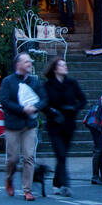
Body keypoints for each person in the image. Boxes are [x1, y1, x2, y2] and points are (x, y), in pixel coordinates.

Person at [0, 52, 46, 200]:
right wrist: (22, 109)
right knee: (13, 159)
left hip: (29, 125)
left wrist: (36, 107)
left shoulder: (35, 82)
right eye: (26, 62)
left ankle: (27, 190)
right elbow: (4, 101)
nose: (29, 64)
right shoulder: (8, 81)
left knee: (29, 157)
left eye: (30, 62)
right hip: (13, 124)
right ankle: (9, 178)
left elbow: (44, 98)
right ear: (18, 64)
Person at [43, 57, 86, 197]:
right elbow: (44, 104)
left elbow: (83, 100)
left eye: (65, 64)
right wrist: (52, 112)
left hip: (68, 124)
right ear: (55, 69)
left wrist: (74, 108)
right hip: (54, 125)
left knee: (62, 156)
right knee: (61, 154)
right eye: (61, 65)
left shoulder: (72, 83)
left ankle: (56, 183)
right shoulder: (48, 85)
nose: (65, 67)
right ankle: (66, 184)